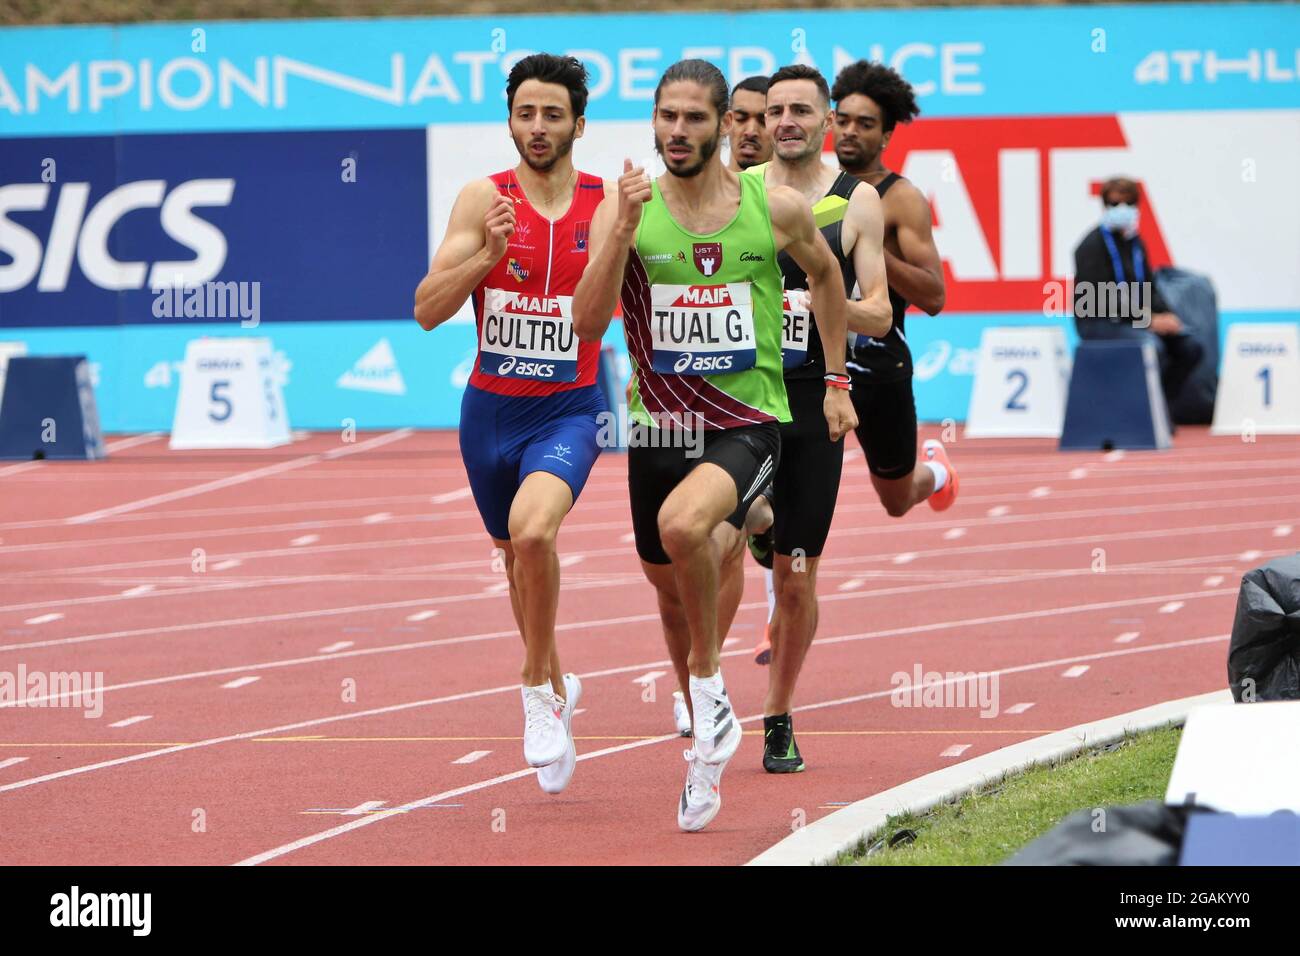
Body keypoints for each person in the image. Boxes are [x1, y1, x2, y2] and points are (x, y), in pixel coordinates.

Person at [573, 59, 857, 831]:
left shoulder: (773, 204)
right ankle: (705, 747)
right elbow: (586, 324)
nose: (678, 132)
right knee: (666, 583)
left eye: (696, 118)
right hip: (659, 426)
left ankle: (707, 690)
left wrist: (836, 384)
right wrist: (622, 235)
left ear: (731, 125)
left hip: (748, 420)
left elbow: (827, 280)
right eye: (667, 116)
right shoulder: (623, 208)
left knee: (684, 527)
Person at [413, 53, 608, 796]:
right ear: (510, 120)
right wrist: (488, 257)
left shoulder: (609, 203)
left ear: (578, 124)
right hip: (490, 413)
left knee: (534, 534)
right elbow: (429, 309)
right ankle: (559, 682)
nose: (537, 126)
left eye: (552, 114)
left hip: (572, 406)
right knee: (511, 557)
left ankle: (535, 691)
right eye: (525, 113)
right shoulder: (481, 199)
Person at [739, 64, 892, 773]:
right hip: (742, 397)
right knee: (716, 527)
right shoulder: (735, 195)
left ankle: (777, 714)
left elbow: (880, 313)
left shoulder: (856, 202)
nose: (786, 121)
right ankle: (759, 525)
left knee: (797, 576)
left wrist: (815, 305)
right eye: (774, 111)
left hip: (812, 398)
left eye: (801, 108)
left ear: (827, 120)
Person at [831, 60, 959, 518]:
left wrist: (870, 245)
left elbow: (934, 296)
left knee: (896, 499)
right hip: (817, 361)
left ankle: (939, 474)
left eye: (865, 124)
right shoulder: (815, 187)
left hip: (879, 362)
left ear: (885, 135)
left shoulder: (901, 197)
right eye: (842, 120)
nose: (850, 131)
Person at [1072, 176, 1203, 407]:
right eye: (1114, 204)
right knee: (1152, 347)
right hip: (1099, 322)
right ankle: (1134, 410)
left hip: (1136, 320)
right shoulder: (1090, 246)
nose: (1121, 209)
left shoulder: (1136, 243)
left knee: (1190, 347)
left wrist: (1167, 315)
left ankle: (1158, 409)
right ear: (1104, 206)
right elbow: (1101, 301)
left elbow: (1150, 288)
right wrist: (1149, 321)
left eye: (1128, 203)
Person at [727, 76, 773, 171]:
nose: (751, 131)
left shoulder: (797, 185)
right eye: (741, 118)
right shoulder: (700, 185)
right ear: (725, 122)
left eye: (763, 121)